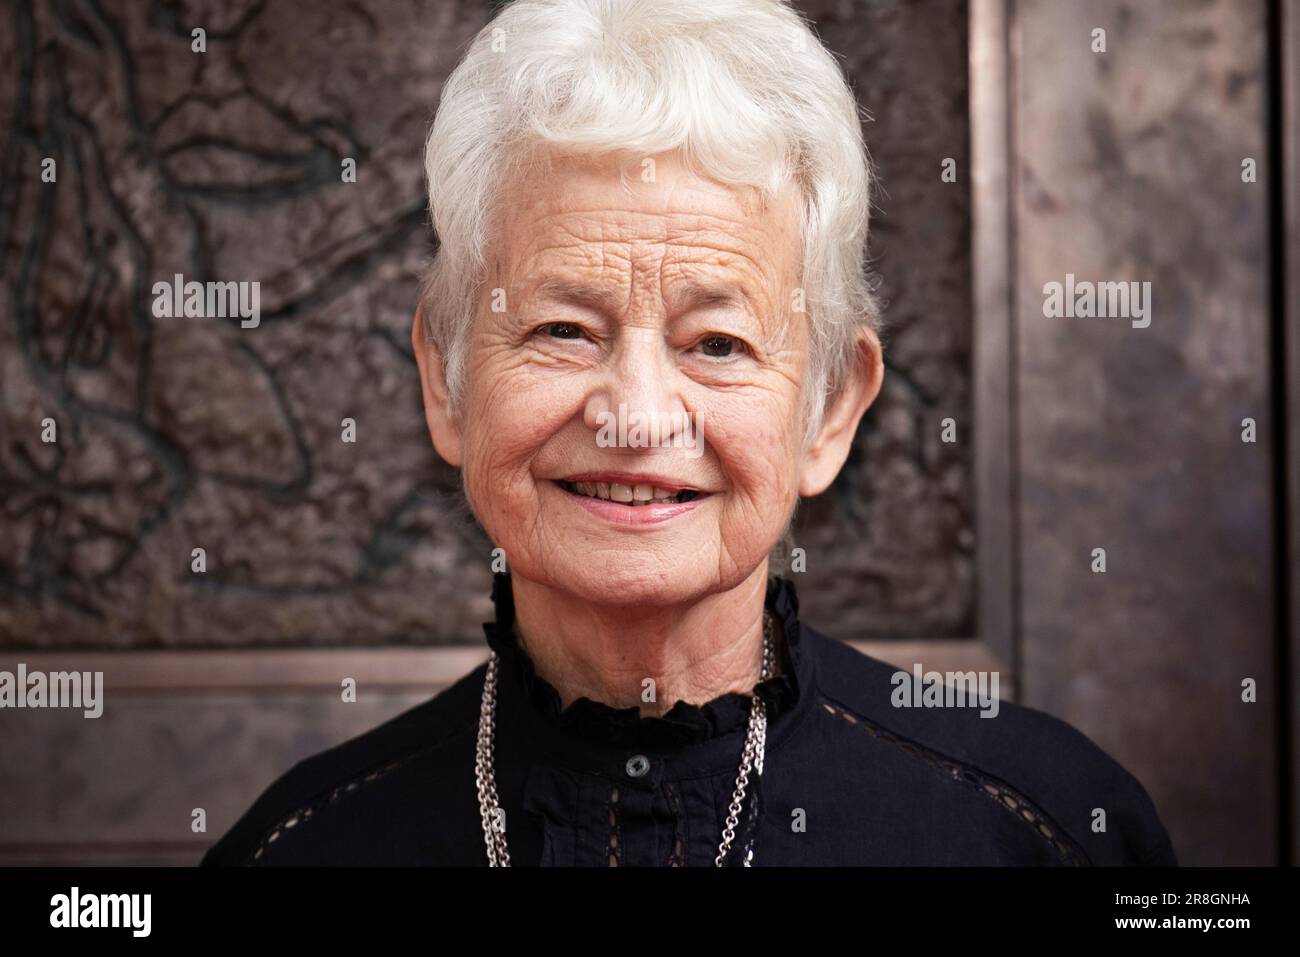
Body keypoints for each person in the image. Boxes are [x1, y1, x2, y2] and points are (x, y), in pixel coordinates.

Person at [202, 0, 1177, 867]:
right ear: (447, 382)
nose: (634, 415)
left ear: (829, 408)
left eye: (716, 341)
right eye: (562, 330)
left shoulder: (1044, 830)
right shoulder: (303, 846)